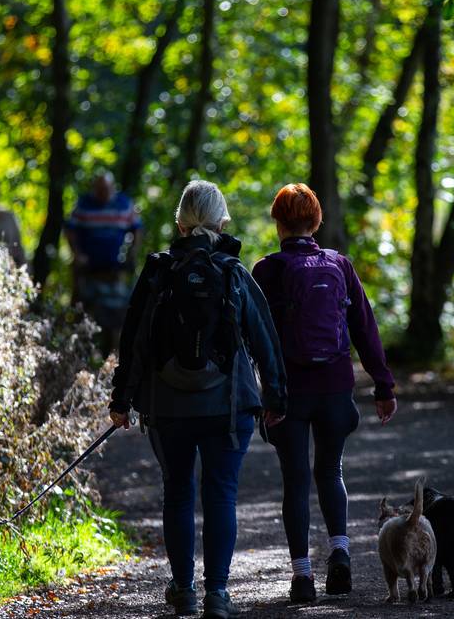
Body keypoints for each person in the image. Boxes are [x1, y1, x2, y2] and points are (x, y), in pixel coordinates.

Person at [107, 180, 286, 619]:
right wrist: (275, 396)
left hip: (168, 407)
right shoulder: (233, 272)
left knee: (177, 492)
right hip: (228, 405)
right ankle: (218, 594)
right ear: (222, 222)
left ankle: (184, 589)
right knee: (221, 494)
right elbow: (264, 338)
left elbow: (135, 338)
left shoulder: (159, 271)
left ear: (181, 223)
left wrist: (122, 398)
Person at [251, 183, 398, 603]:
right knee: (331, 471)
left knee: (295, 481)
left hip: (288, 393)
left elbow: (253, 338)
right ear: (316, 222)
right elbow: (365, 328)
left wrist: (259, 395)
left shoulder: (267, 271)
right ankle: (341, 554)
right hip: (335, 387)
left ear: (278, 224)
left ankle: (302, 577)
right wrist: (383, 385)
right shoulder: (339, 265)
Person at [65, 172, 143, 347]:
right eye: (99, 190)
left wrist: (132, 252)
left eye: (106, 189)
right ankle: (80, 350)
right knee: (83, 311)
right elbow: (70, 229)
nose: (103, 193)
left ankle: (114, 353)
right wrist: (77, 254)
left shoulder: (124, 204)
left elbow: (137, 228)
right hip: (89, 271)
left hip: (115, 271)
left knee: (118, 315)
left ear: (113, 188)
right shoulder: (83, 204)